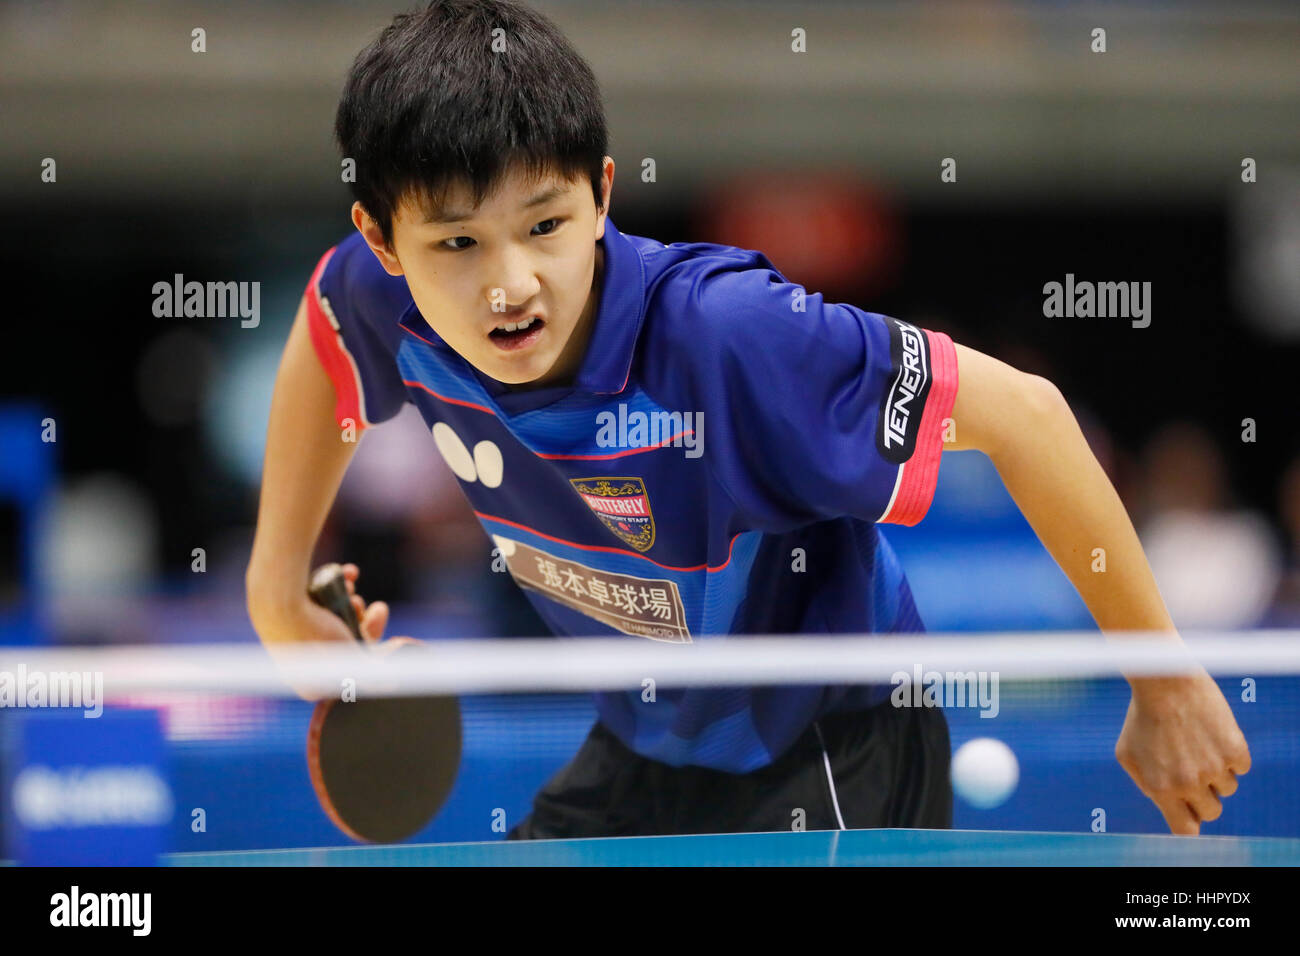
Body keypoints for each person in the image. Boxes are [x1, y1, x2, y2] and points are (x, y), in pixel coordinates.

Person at [246, 0, 1249, 839]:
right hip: (644, 742)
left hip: (837, 741)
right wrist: (274, 582)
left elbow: (1026, 415)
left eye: (543, 224)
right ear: (383, 238)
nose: (511, 284)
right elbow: (325, 337)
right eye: (458, 242)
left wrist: (1160, 681)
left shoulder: (730, 335)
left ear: (600, 194)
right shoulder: (387, 299)